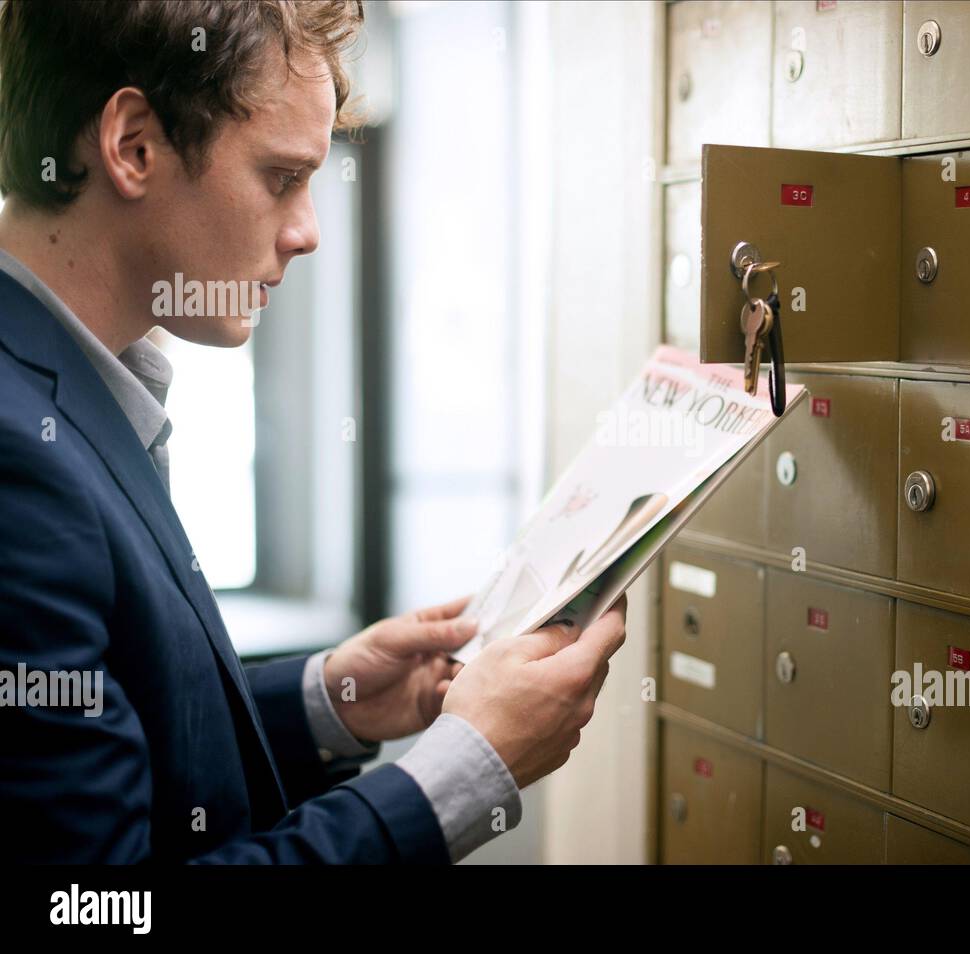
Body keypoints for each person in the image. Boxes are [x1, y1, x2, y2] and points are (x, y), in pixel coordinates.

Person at [0, 0, 626, 863]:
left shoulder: (66, 385)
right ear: (134, 145)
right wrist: (462, 772)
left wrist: (329, 701)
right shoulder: (16, 459)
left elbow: (111, 734)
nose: (308, 231)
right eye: (282, 177)